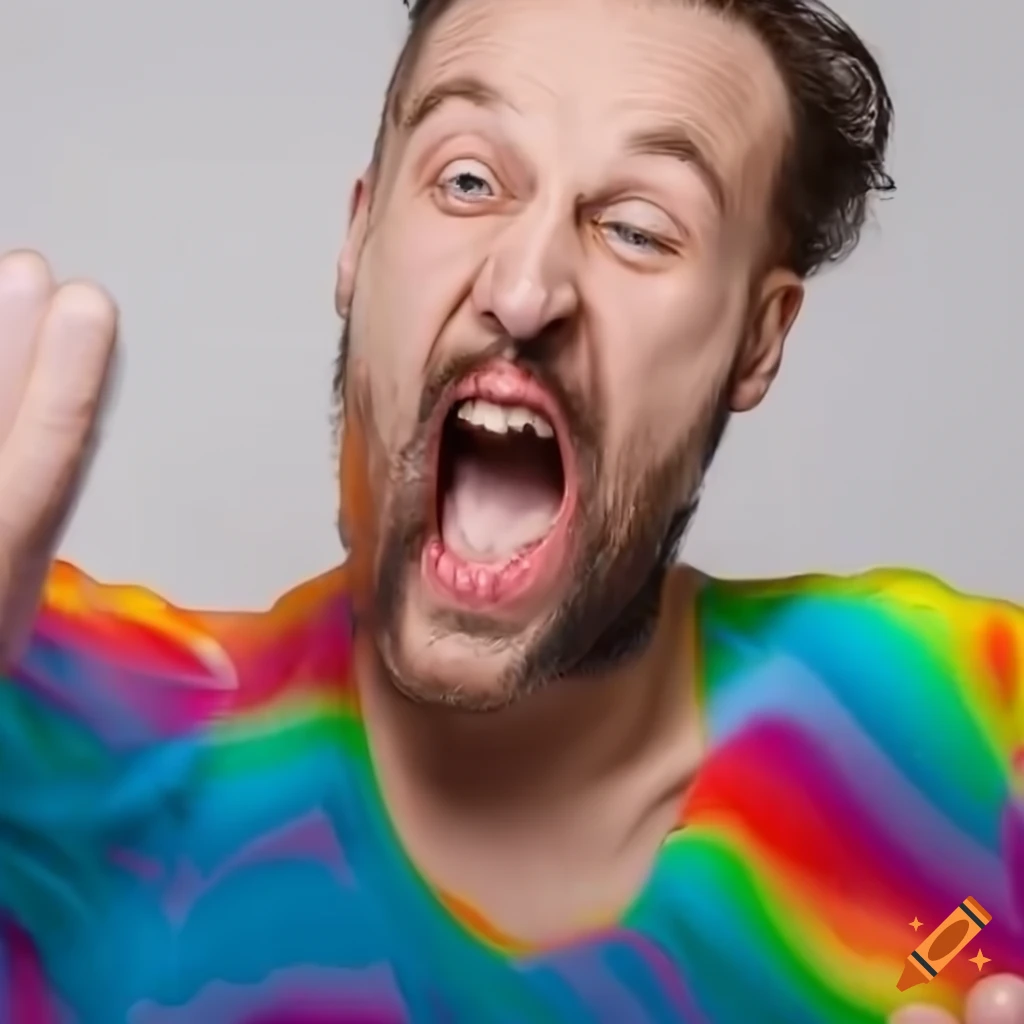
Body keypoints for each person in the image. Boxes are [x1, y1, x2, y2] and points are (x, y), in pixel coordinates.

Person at [0, 0, 1021, 1021]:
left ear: (757, 339)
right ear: (359, 235)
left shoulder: (970, 729)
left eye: (637, 229)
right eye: (468, 181)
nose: (527, 288)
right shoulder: (67, 757)